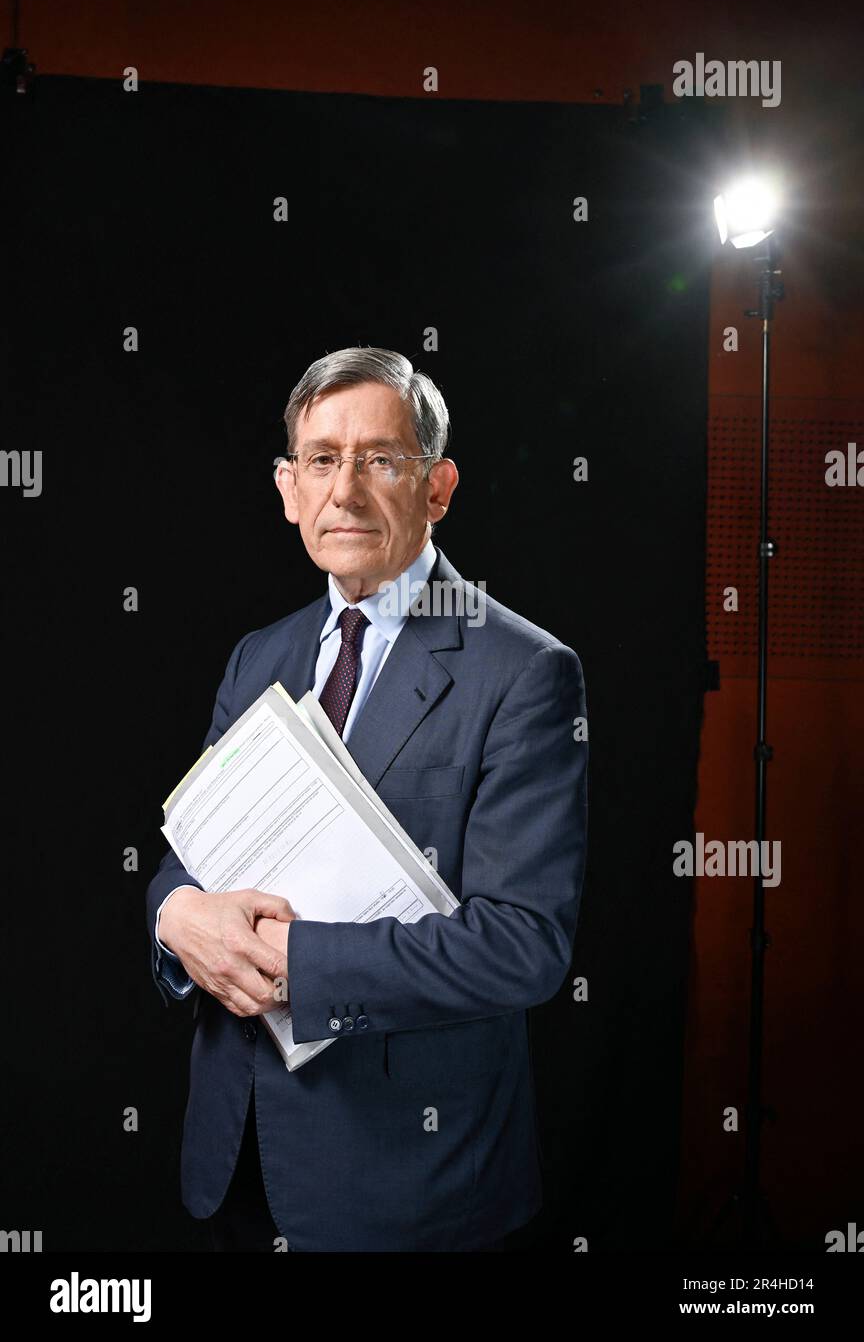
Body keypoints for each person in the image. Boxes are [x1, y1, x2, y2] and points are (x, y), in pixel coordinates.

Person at [146, 346, 588, 1252]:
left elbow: (524, 945)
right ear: (287, 487)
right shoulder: (258, 656)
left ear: (438, 487)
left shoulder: (526, 672)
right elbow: (190, 855)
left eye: (380, 459)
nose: (344, 490)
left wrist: (298, 965)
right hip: (235, 1157)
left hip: (407, 1181)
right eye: (321, 460)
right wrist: (173, 917)